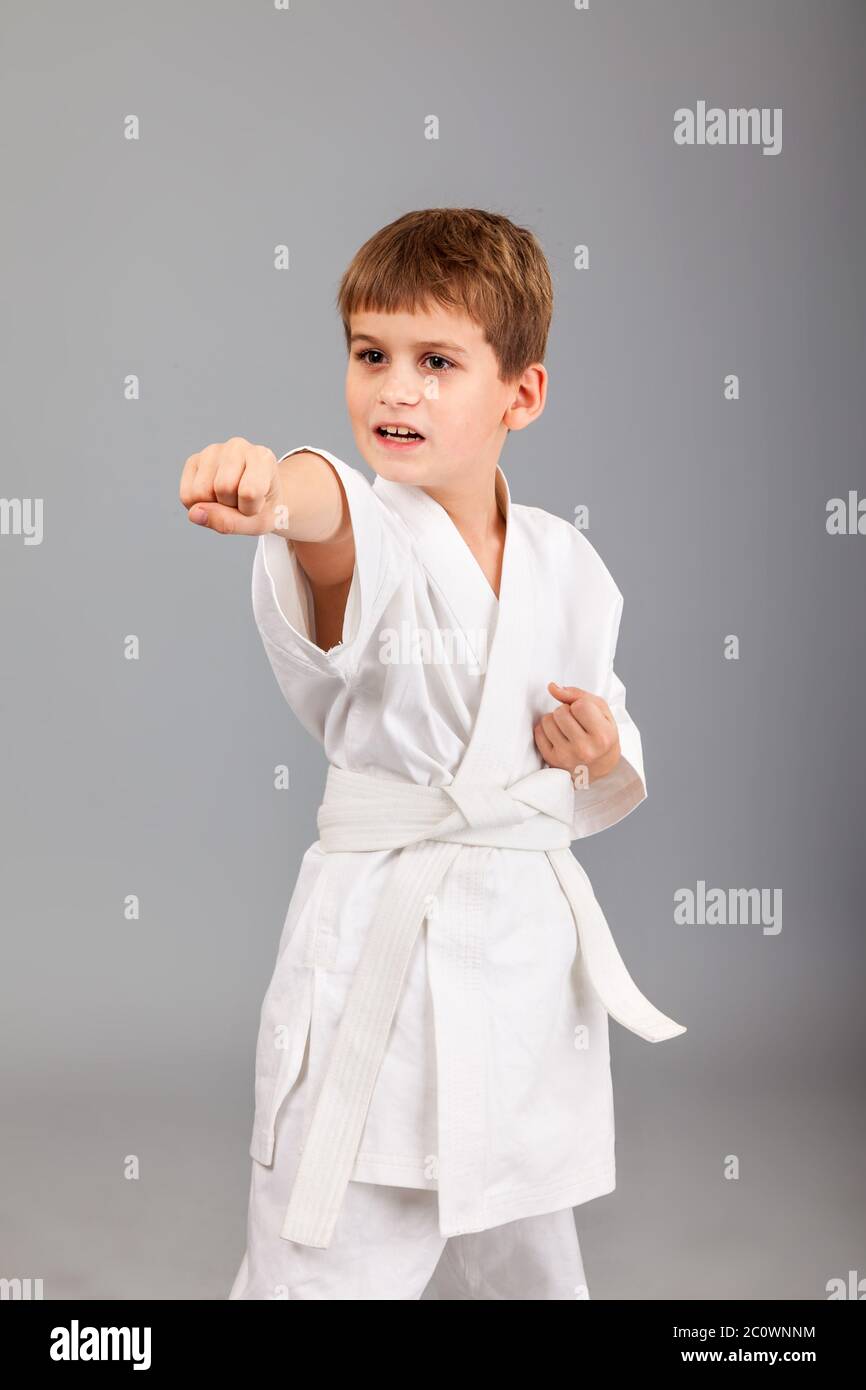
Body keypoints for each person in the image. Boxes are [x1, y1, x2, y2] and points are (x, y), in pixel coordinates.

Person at [178, 207, 686, 1300]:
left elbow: (606, 736)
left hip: (515, 964)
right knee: (327, 1254)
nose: (393, 389)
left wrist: (596, 747)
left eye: (435, 361)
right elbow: (324, 508)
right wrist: (272, 487)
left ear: (521, 394)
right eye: (370, 355)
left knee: (530, 1254)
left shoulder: (565, 562)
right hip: (379, 956)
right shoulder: (367, 523)